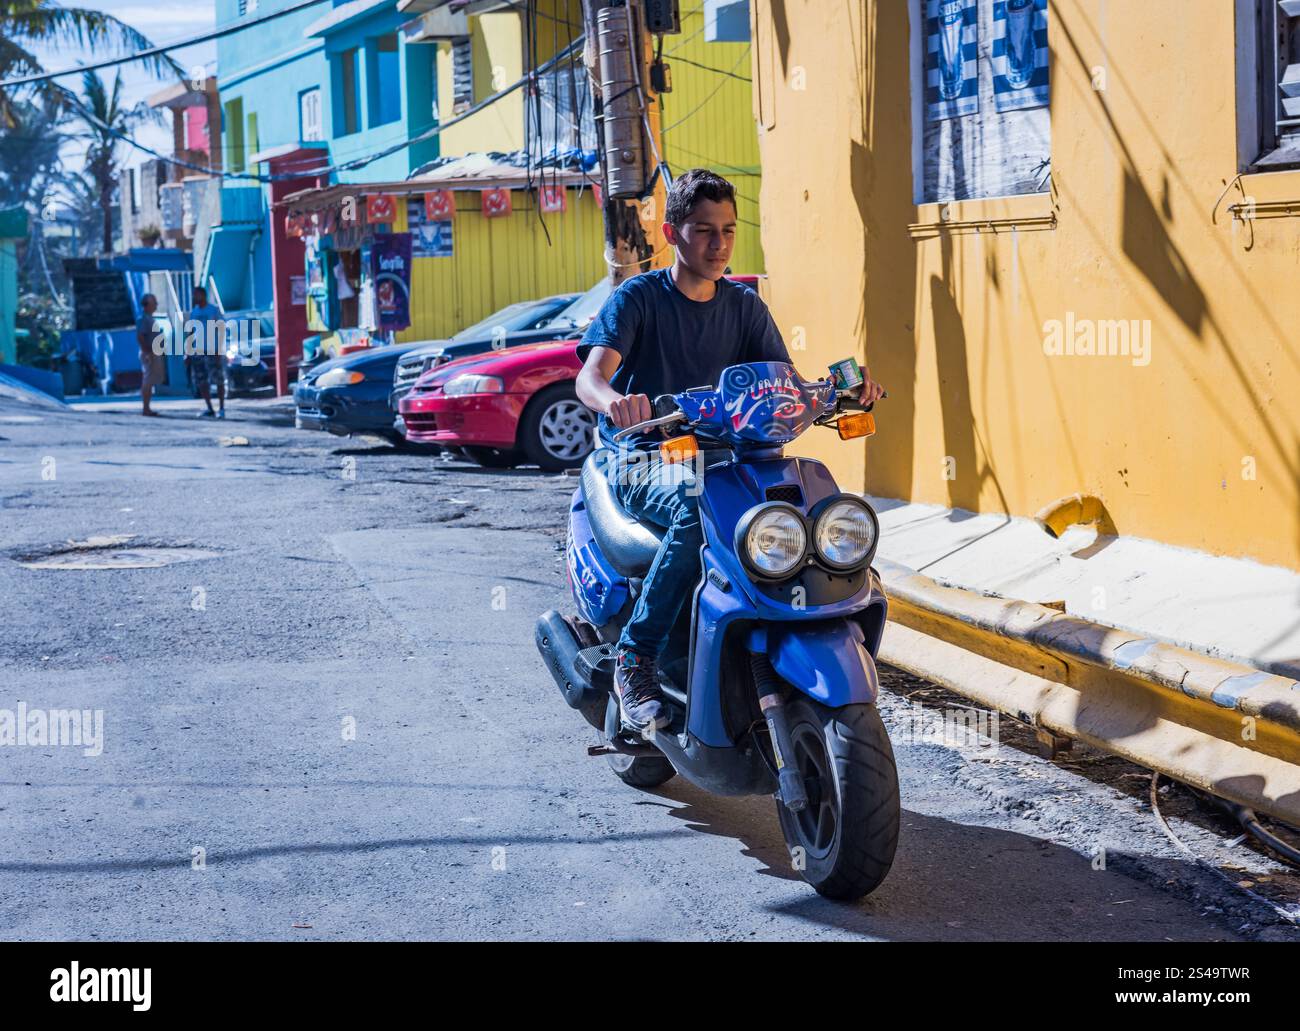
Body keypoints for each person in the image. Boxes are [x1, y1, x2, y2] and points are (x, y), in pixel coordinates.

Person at [575, 168, 885, 735]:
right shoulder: (638, 298)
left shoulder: (744, 307)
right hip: (651, 454)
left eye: (728, 231)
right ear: (673, 233)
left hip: (731, 455)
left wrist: (840, 392)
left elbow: (785, 382)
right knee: (698, 512)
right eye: (703, 230)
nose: (718, 244)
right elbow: (590, 378)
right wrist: (616, 403)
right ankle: (636, 658)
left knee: (818, 510)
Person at [188, 285, 226, 419]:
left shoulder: (213, 310)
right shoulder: (194, 313)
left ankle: (221, 408)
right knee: (201, 381)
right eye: (193, 295)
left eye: (196, 294)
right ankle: (210, 408)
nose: (194, 297)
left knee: (218, 379)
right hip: (198, 351)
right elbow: (191, 332)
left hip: (212, 350)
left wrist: (219, 350)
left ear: (203, 295)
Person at [136, 293, 164, 417]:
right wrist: (147, 352)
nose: (156, 305)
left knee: (150, 380)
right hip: (149, 353)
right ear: (147, 305)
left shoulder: (150, 318)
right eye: (154, 303)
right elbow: (140, 336)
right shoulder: (143, 319)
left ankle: (147, 407)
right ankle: (145, 408)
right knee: (148, 380)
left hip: (153, 352)